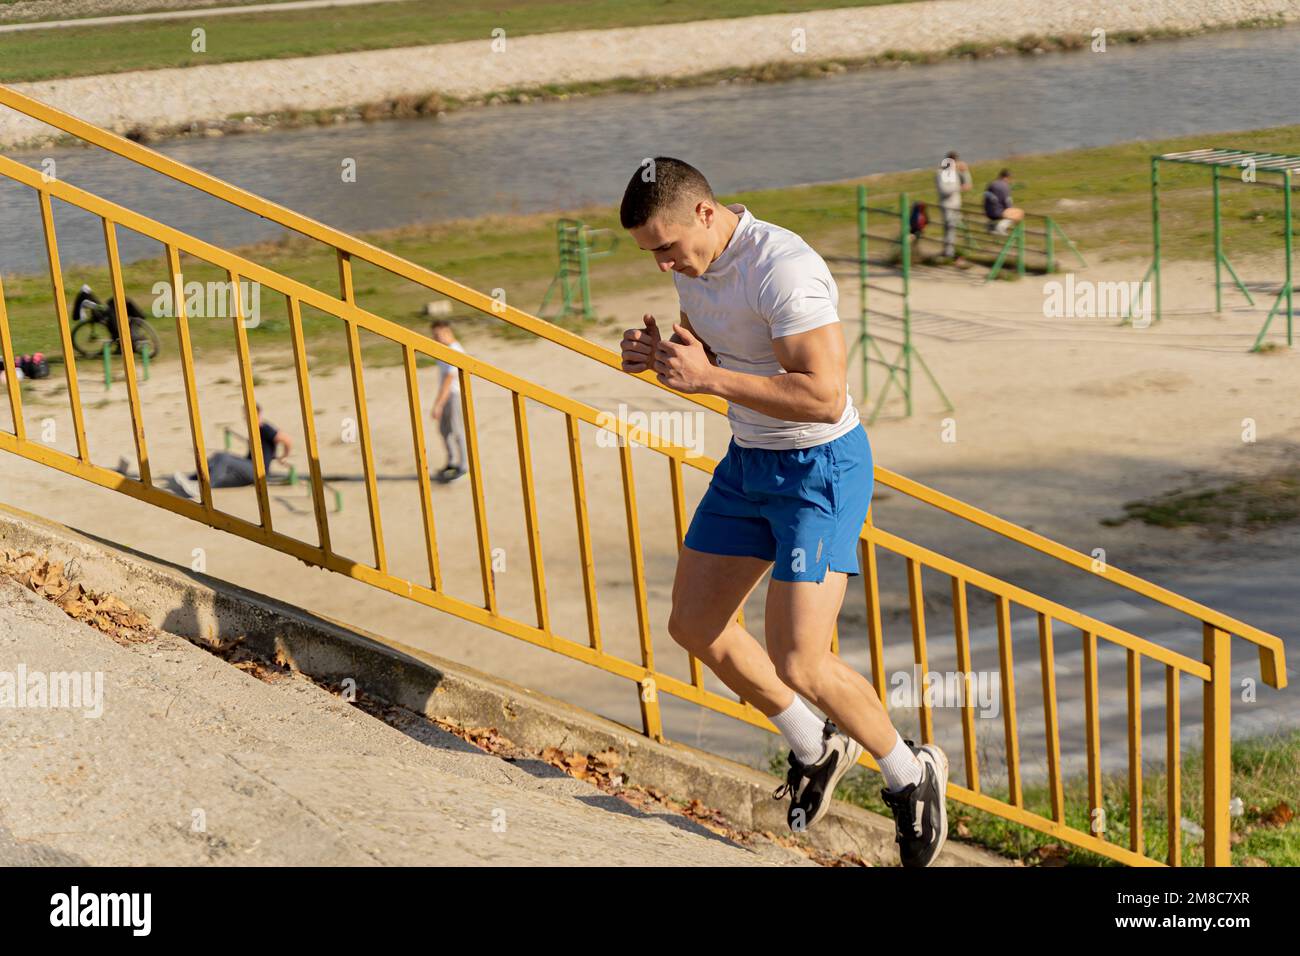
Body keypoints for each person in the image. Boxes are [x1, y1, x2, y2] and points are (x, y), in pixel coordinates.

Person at [618, 157, 949, 867]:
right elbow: (712, 353)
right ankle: (814, 745)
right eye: (650, 253)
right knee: (695, 626)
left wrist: (707, 378)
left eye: (667, 246)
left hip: (818, 469)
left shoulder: (785, 269)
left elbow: (824, 396)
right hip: (749, 462)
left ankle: (910, 774)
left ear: (705, 213)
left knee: (799, 657)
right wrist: (665, 358)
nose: (663, 264)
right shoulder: (690, 265)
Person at [165, 403, 291, 500]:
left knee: (224, 459)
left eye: (247, 414)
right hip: (249, 467)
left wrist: (284, 456)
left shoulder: (264, 428)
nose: (245, 418)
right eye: (245, 414)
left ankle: (203, 487)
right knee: (219, 456)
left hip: (257, 470)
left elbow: (286, 439)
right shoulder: (254, 429)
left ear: (258, 414)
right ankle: (193, 479)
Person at [429, 319, 467, 482]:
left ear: (447, 333)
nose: (435, 339)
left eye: (437, 335)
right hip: (446, 396)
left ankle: (464, 466)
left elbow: (449, 380)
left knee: (457, 430)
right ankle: (452, 462)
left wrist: (438, 404)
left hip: (453, 396)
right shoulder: (443, 349)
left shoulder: (454, 351)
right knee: (444, 430)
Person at [934, 150, 972, 263]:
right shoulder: (941, 173)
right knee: (949, 229)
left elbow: (968, 184)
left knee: (954, 229)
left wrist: (966, 172)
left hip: (956, 205)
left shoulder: (955, 172)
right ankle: (949, 253)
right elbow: (944, 190)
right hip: (947, 205)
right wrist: (959, 188)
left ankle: (950, 251)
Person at [983, 168, 1024, 235]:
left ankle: (991, 226)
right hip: (997, 212)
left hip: (988, 211)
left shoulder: (991, 184)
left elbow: (985, 196)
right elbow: (1008, 202)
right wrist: (1011, 210)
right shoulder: (1005, 187)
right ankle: (1001, 228)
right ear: (1006, 177)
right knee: (1018, 213)